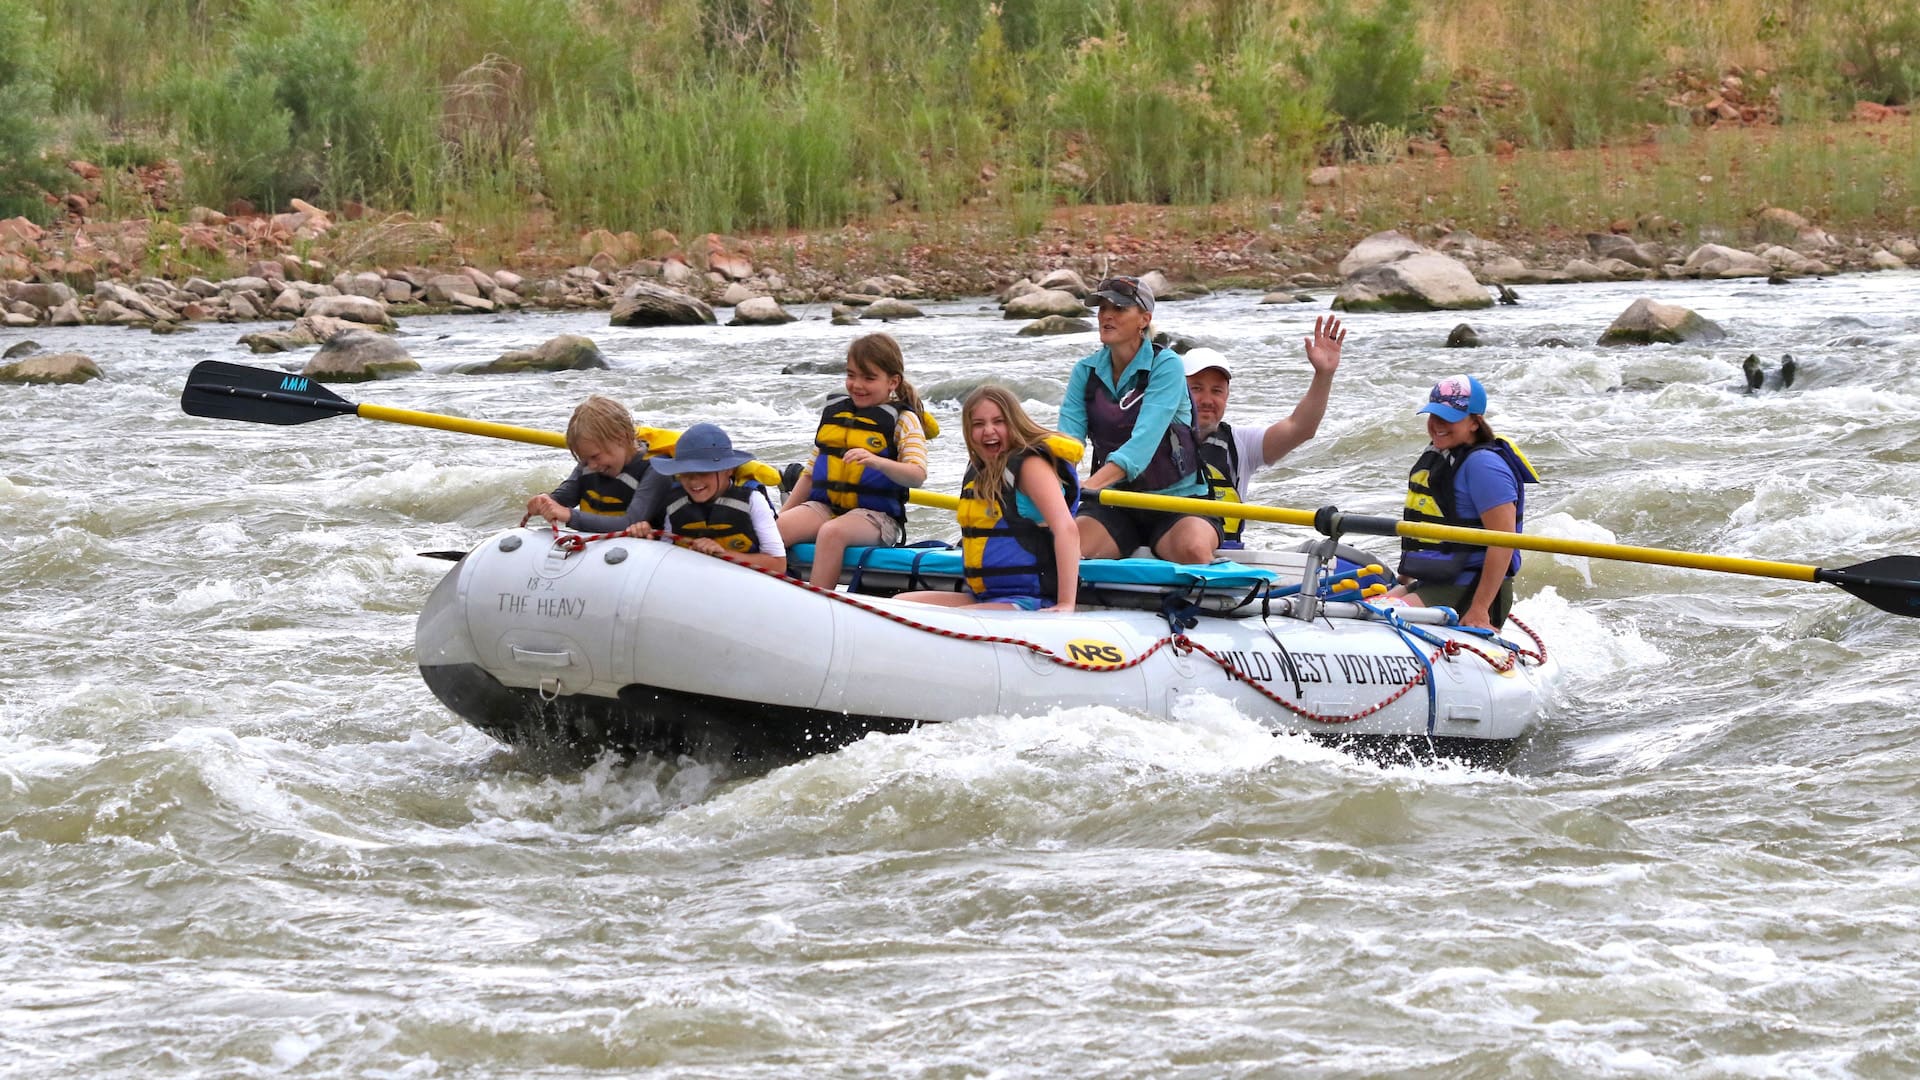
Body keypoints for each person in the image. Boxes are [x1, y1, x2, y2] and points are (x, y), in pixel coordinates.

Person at [1057, 275, 1218, 564]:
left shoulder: (1167, 365)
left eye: (1118, 309)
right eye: (1102, 307)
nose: (1106, 315)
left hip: (1179, 502)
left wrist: (1087, 487)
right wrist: (1056, 484)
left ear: (1144, 319)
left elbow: (1141, 445)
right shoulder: (1084, 371)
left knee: (1192, 549)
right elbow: (1067, 444)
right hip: (1113, 501)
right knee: (1066, 548)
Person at [897, 386, 1082, 612]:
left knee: (960, 619)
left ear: (1014, 423)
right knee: (899, 605)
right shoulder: (979, 470)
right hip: (986, 597)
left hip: (1029, 600)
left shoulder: (1030, 466)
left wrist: (1065, 604)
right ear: (968, 431)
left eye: (998, 421)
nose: (988, 431)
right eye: (978, 424)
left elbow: (1066, 529)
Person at [1378, 375, 1541, 630]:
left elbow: (1504, 541)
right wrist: (1404, 580)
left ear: (1475, 422)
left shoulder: (1484, 465)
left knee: (1379, 620)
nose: (1436, 425)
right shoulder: (1443, 455)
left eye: (1448, 418)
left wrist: (1479, 610)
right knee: (1365, 607)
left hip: (1467, 589)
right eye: (1434, 415)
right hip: (1437, 581)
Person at [780, 332, 933, 589]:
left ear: (892, 381)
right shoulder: (836, 414)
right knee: (774, 530)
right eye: (851, 375)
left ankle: (820, 607)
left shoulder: (903, 421)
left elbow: (917, 475)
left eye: (869, 378)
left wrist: (877, 462)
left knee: (832, 533)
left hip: (878, 518)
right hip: (827, 507)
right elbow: (809, 475)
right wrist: (781, 516)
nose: (857, 385)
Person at [1182, 314, 1346, 548]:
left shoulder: (1241, 444)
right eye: (1196, 388)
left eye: (1217, 391)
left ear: (1227, 396)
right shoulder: (1151, 436)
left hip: (1226, 557)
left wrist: (1324, 375)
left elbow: (1301, 428)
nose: (1207, 400)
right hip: (1171, 555)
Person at [630, 423, 786, 574]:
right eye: (685, 473)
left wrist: (722, 555)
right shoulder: (674, 502)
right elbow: (665, 554)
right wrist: (645, 537)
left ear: (728, 469)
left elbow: (778, 564)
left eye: (704, 472)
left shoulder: (753, 500)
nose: (693, 481)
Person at [525, 394, 668, 533]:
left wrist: (569, 515)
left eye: (595, 456)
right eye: (585, 459)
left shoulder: (656, 468)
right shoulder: (590, 463)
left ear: (622, 438)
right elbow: (563, 497)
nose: (591, 465)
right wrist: (545, 501)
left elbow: (630, 522)